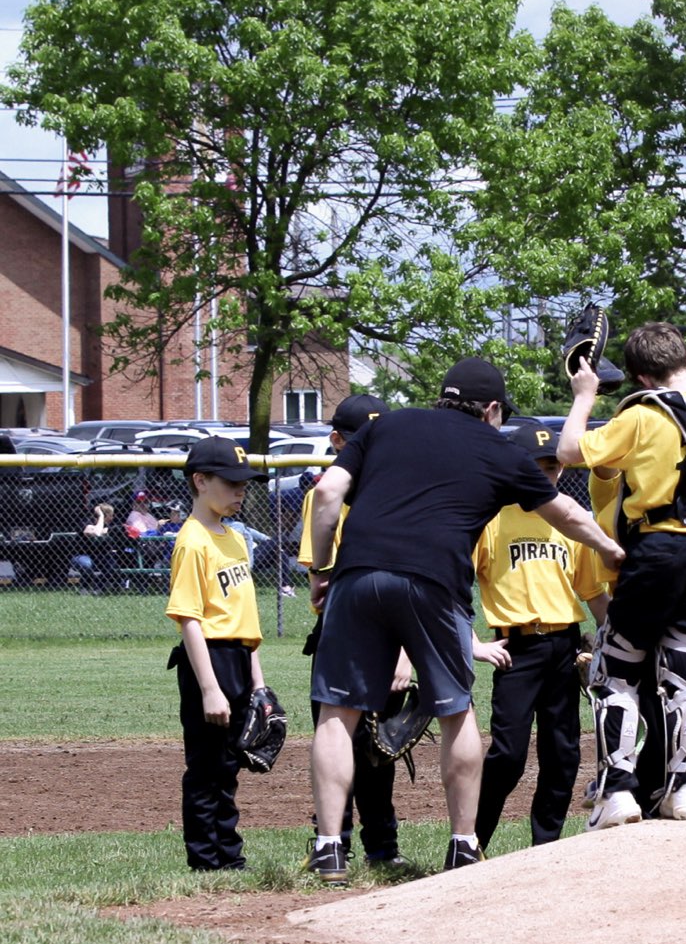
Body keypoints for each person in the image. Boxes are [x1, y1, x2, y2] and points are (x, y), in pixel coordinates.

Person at [306, 357, 624, 882]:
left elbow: (326, 494)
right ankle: (462, 844)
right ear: (492, 408)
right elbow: (565, 513)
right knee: (456, 713)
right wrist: (609, 549)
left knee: (338, 711)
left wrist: (322, 568)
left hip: (357, 574)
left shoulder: (389, 426)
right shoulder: (496, 447)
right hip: (432, 582)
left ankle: (327, 847)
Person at [559, 321, 686, 828]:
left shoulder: (642, 414)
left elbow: (569, 452)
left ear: (641, 377)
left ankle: (618, 793)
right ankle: (685, 789)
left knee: (616, 672)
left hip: (654, 551)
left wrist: (583, 395)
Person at [471, 423, 610, 852]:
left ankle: (546, 849)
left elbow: (592, 592)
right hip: (515, 649)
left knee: (562, 753)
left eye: (552, 467)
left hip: (566, 648)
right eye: (537, 466)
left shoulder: (569, 517)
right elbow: (455, 584)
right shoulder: (492, 518)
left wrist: (613, 640)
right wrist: (471, 643)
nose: (546, 474)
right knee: (508, 755)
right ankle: (471, 842)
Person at [296, 392, 410, 870]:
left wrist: (404, 653)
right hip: (340, 639)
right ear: (338, 440)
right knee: (337, 738)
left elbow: (409, 584)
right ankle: (332, 843)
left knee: (379, 752)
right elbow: (318, 583)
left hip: (390, 640)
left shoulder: (402, 496)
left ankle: (383, 851)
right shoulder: (324, 496)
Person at [165, 437, 271, 870]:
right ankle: (206, 861)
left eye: (244, 483)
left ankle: (230, 856)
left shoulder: (232, 537)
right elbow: (189, 618)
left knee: (228, 767)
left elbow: (246, 623)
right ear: (200, 481)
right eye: (230, 483)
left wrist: (258, 683)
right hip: (207, 659)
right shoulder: (193, 542)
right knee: (207, 769)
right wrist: (210, 689)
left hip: (238, 659)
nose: (240, 491)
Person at [71, 502, 119, 593]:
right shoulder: (86, 523)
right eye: (110, 515)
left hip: (101, 557)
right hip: (82, 556)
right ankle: (85, 586)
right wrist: (101, 516)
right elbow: (97, 533)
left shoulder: (109, 526)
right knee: (87, 564)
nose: (112, 518)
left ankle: (99, 587)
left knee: (112, 565)